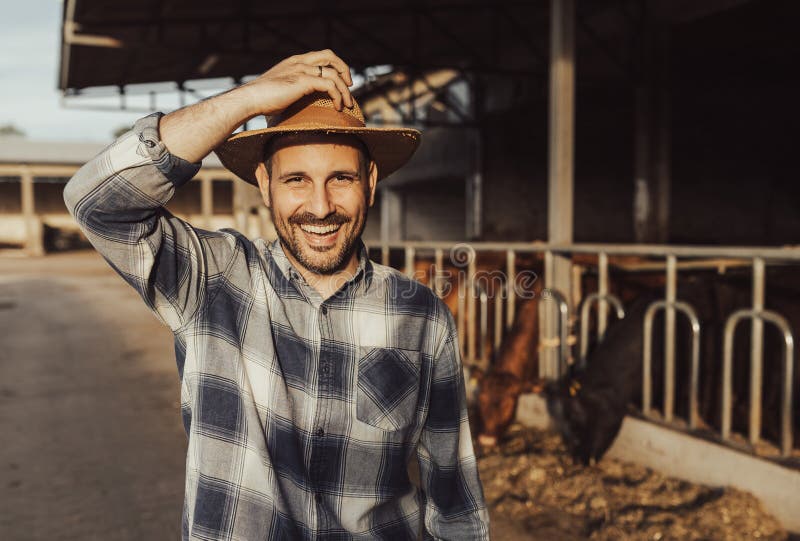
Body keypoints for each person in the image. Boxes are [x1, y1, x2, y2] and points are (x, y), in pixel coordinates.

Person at [63, 50, 489, 540]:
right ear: (264, 184)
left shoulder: (421, 314)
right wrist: (245, 100)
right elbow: (97, 203)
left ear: (370, 183)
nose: (320, 206)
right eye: (296, 180)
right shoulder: (213, 280)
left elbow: (456, 501)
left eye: (341, 179)